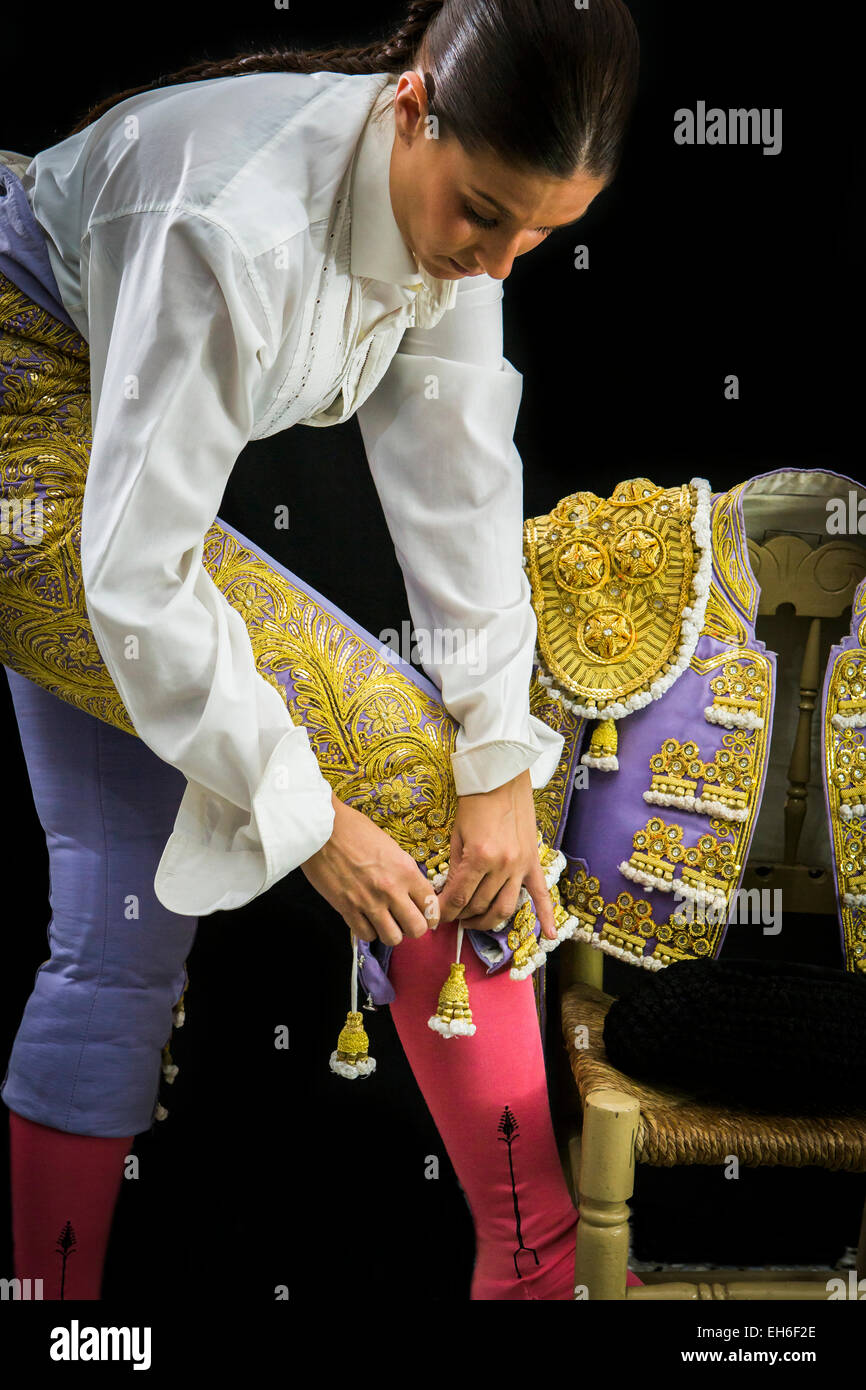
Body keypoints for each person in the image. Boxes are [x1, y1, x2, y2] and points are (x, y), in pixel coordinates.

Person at [0, 0, 644, 1299]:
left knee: (119, 922)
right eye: (484, 215)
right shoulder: (221, 223)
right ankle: (540, 1273)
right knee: (386, 781)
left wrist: (497, 760)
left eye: (542, 233)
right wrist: (306, 816)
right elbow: (135, 576)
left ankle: (49, 1314)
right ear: (410, 108)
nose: (504, 262)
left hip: (101, 418)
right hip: (16, 411)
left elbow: (458, 476)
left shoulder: (453, 221)